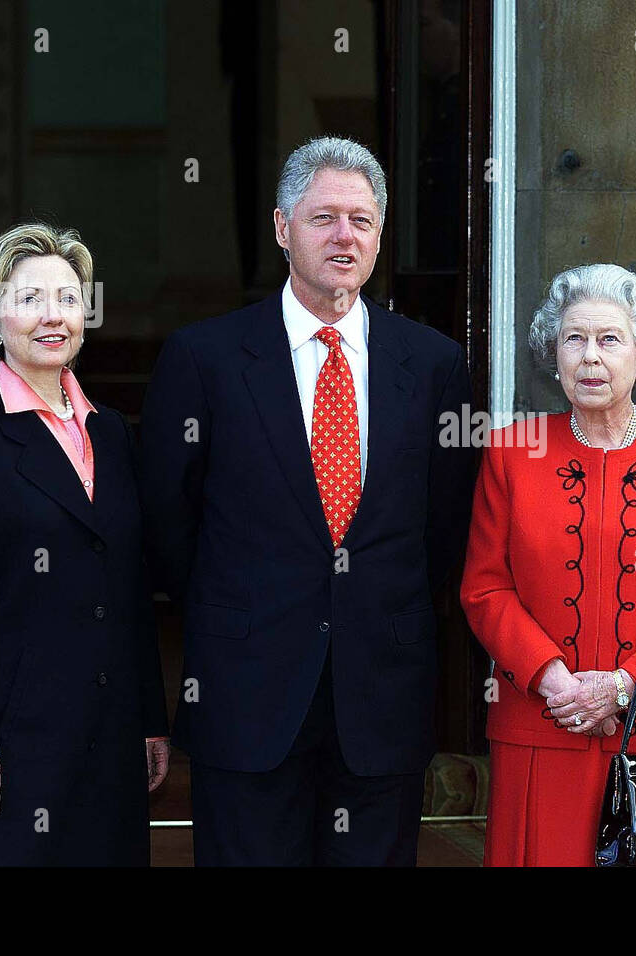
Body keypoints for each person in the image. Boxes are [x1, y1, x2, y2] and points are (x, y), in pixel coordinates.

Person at [140, 136, 478, 866]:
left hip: (382, 701)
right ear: (281, 227)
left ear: (381, 235)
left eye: (361, 220)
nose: (344, 236)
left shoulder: (433, 365)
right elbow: (169, 527)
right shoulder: (205, 359)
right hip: (245, 693)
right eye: (323, 217)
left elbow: (446, 527)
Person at [460, 263, 636, 867]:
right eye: (574, 339)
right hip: (541, 724)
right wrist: (554, 681)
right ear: (553, 356)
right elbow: (485, 589)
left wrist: (624, 685)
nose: (591, 357)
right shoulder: (511, 454)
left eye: (609, 340)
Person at [0, 222, 170, 866]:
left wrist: (149, 717)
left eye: (68, 297)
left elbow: (129, 588)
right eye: (29, 299)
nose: (53, 316)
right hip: (8, 744)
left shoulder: (111, 432)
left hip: (109, 742)